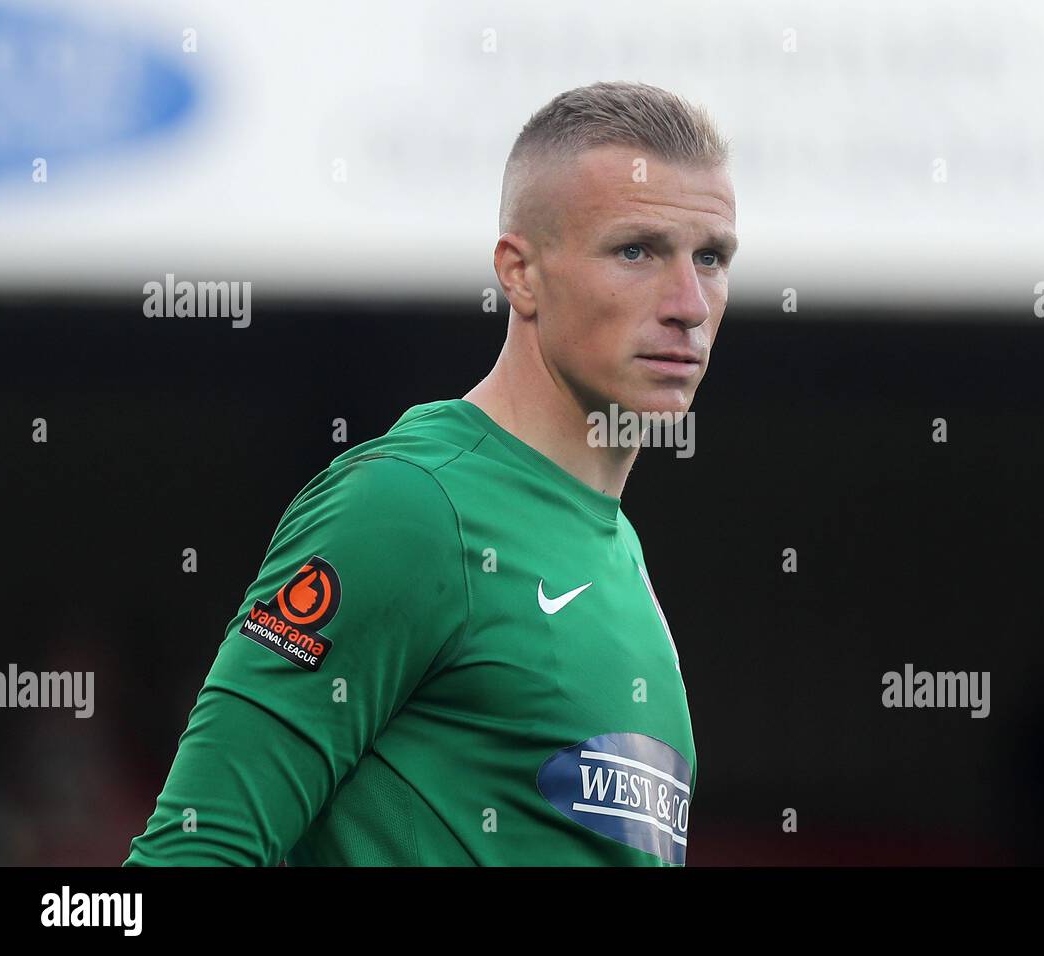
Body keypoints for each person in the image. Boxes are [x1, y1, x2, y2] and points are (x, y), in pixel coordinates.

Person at [124, 80, 737, 866]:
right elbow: (191, 856)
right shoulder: (410, 507)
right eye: (636, 251)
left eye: (711, 258)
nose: (688, 302)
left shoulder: (618, 554)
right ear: (520, 273)